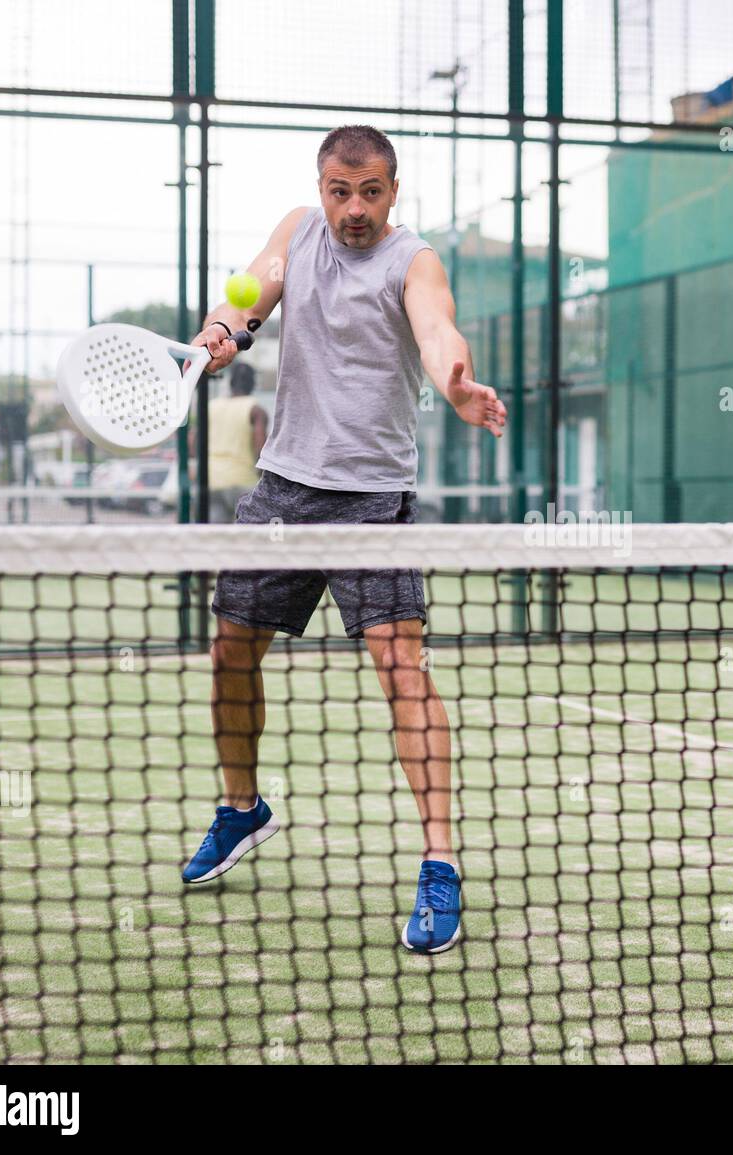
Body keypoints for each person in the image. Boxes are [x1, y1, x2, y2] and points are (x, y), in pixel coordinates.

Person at [179, 124, 506, 957]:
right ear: (320, 186)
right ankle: (243, 808)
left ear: (393, 192)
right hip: (284, 488)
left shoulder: (413, 261)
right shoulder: (298, 233)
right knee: (229, 652)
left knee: (403, 670)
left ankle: (440, 862)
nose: (352, 208)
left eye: (369, 193)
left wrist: (455, 380)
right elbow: (248, 293)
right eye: (339, 190)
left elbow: (437, 330)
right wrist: (222, 330)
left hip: (371, 499)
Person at [190, 362, 268, 523]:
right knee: (246, 537)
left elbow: (192, 445)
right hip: (242, 481)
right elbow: (260, 449)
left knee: (215, 537)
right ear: (253, 383)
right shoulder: (255, 410)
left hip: (210, 480)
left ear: (230, 382)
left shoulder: (211, 406)